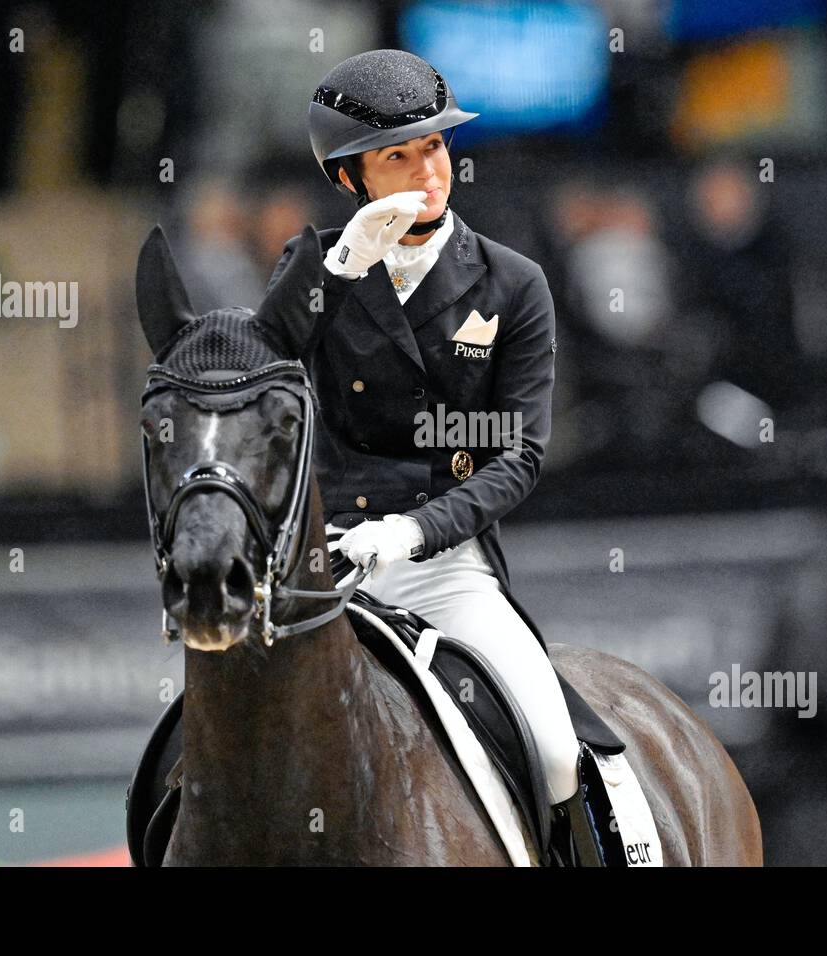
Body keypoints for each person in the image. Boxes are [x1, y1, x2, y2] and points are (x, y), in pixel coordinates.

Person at [259, 49, 604, 865]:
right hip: (324, 565)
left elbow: (517, 457)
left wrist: (411, 535)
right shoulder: (310, 268)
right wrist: (340, 272)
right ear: (350, 180)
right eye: (399, 157)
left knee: (556, 751)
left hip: (443, 565)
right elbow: (263, 369)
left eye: (437, 148)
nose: (430, 172)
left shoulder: (511, 284)